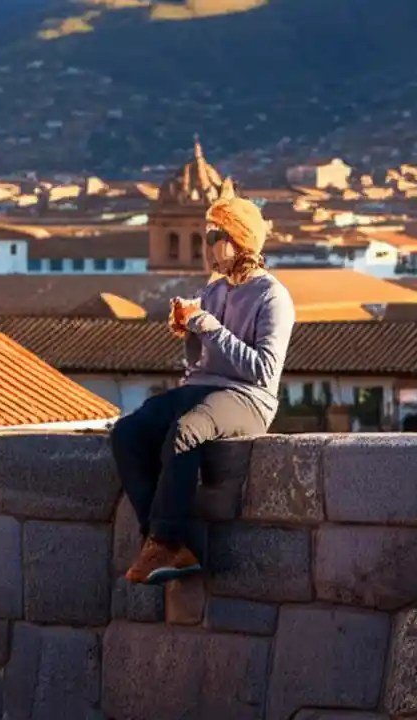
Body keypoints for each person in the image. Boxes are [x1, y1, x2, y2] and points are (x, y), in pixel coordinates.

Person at [111, 188, 295, 585]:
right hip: (204, 390)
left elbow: (263, 371)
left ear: (239, 240)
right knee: (129, 431)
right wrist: (189, 331)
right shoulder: (212, 292)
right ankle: (161, 542)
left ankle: (164, 540)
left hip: (248, 399)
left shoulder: (273, 296)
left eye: (214, 237)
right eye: (206, 237)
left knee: (185, 431)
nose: (207, 246)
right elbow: (199, 367)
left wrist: (211, 327)